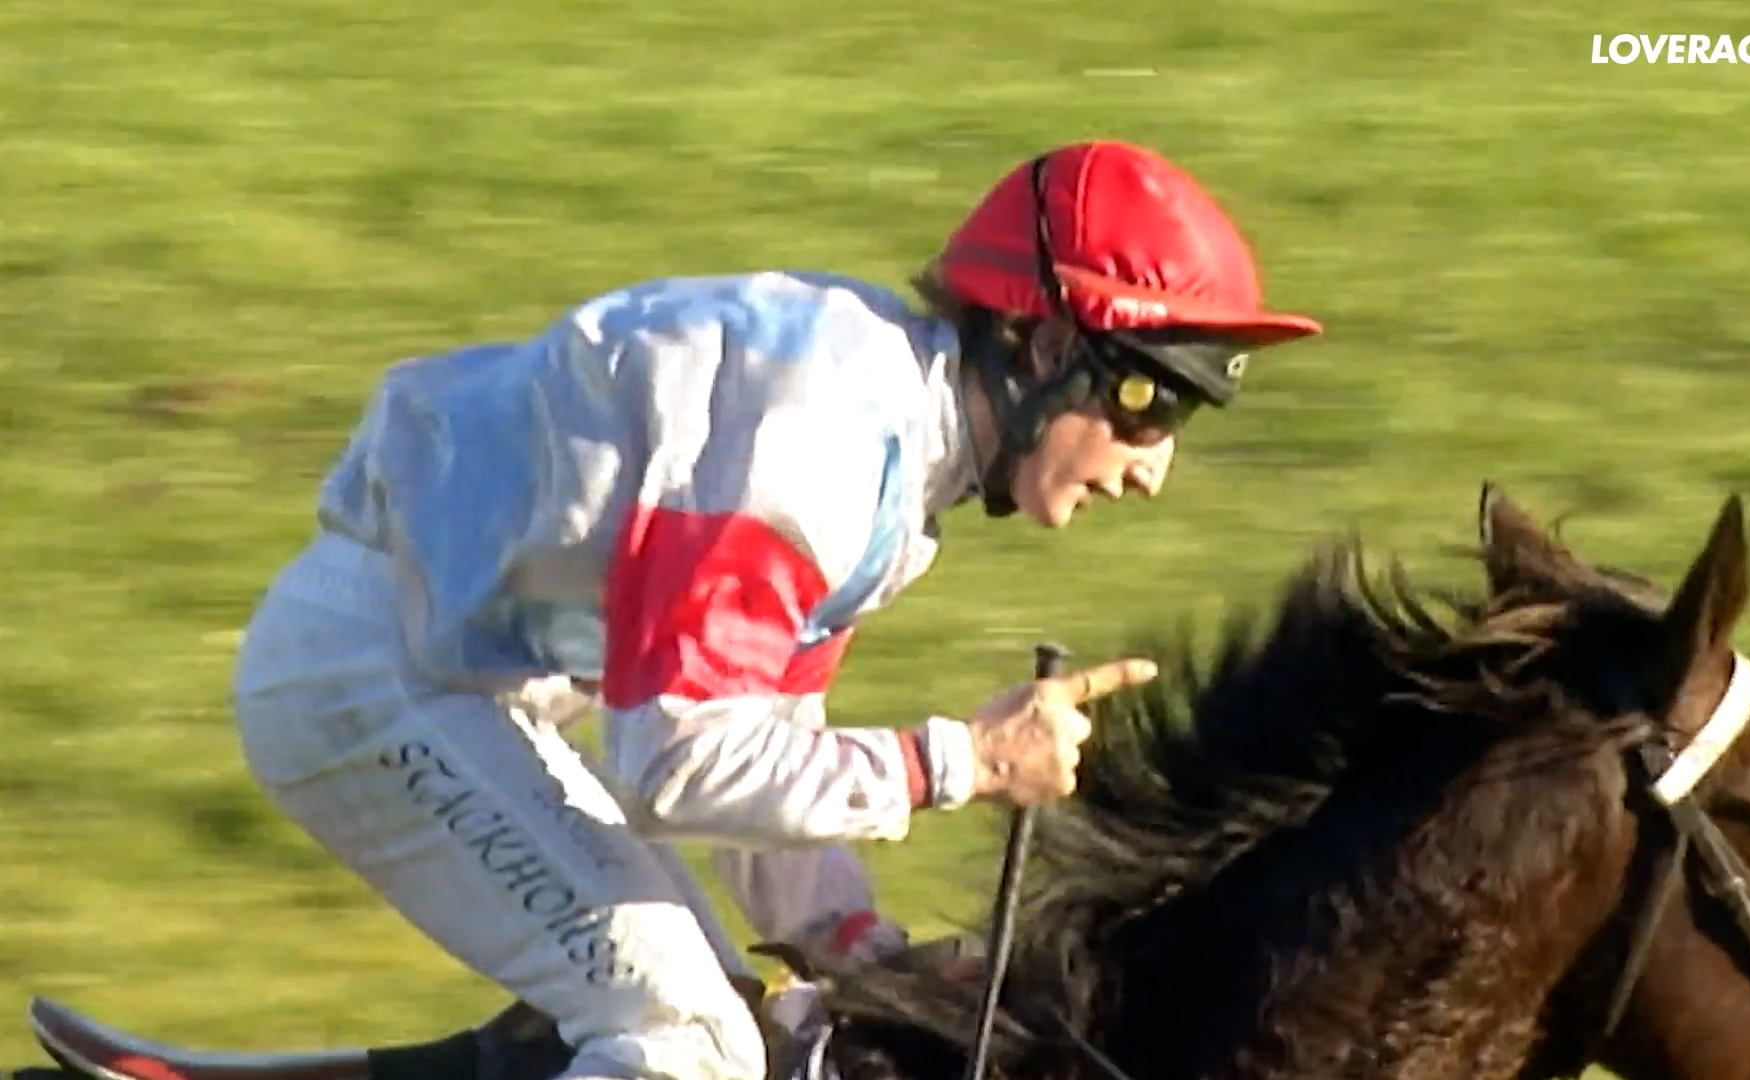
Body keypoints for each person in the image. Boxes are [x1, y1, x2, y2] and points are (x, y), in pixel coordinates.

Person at [221, 139, 1323, 1080]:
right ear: (1045, 348)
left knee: (753, 1030)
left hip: (458, 684)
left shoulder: (889, 454)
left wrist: (859, 950)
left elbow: (755, 751)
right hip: (374, 682)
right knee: (690, 1041)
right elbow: (674, 771)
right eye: (1149, 402)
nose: (1153, 470)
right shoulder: (820, 451)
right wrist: (964, 761)